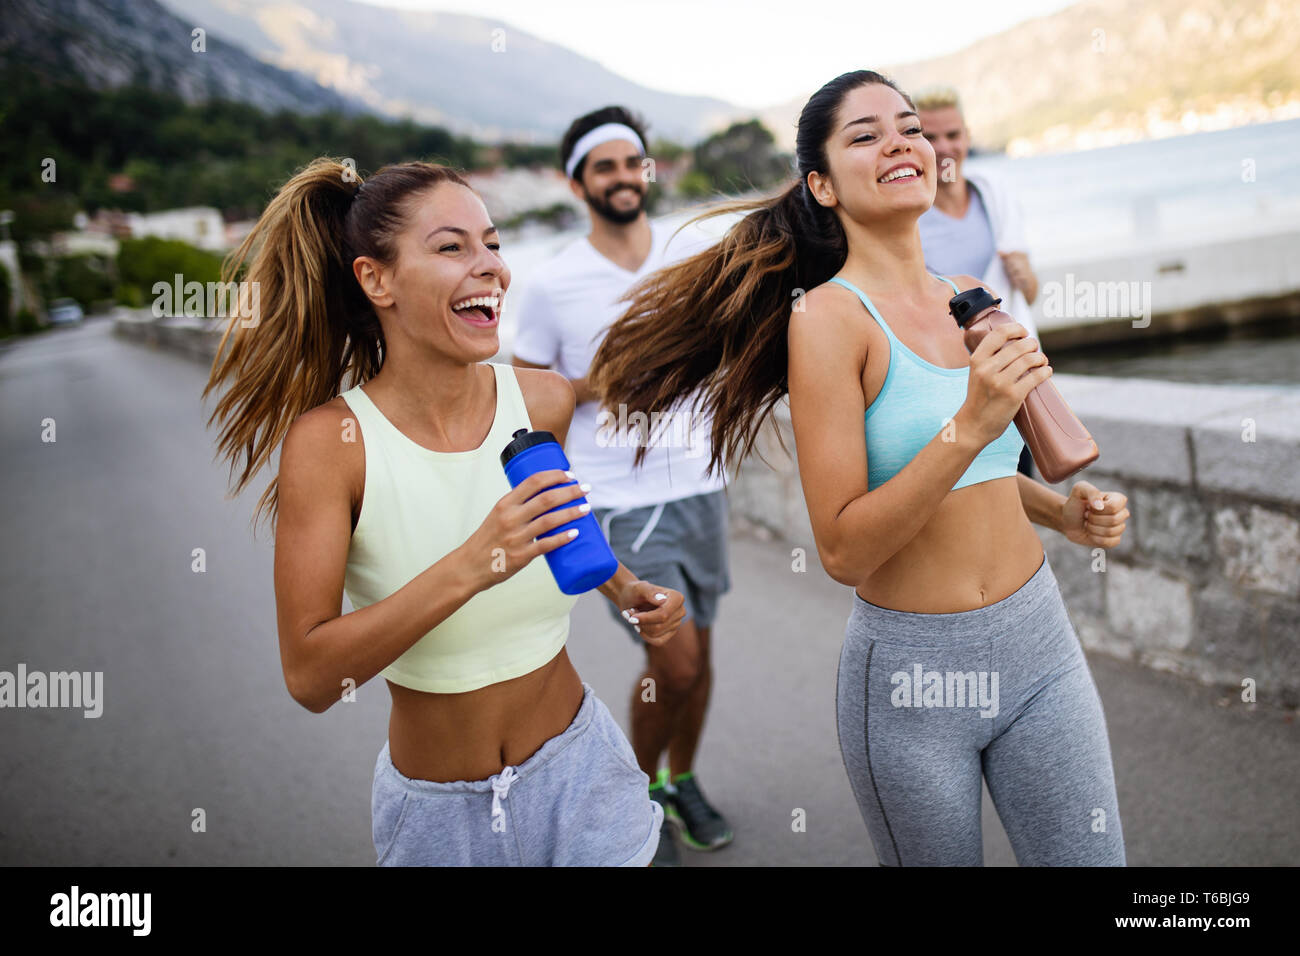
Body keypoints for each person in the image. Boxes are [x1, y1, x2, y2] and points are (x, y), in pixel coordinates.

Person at [589, 71, 1131, 866]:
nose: (901, 143)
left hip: (1039, 645)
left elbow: (976, 471)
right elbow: (842, 548)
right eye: (866, 135)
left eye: (909, 127)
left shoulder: (974, 297)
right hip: (912, 681)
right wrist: (971, 419)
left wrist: (1061, 511)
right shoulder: (826, 320)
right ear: (822, 184)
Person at [202, 157, 687, 866]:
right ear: (377, 279)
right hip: (439, 819)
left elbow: (557, 525)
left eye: (492, 243)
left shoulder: (542, 400)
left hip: (585, 776)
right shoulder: (331, 446)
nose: (491, 265)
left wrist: (625, 586)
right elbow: (310, 677)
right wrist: (473, 564)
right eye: (452, 246)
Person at [511, 106, 733, 866]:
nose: (621, 177)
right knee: (674, 660)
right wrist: (596, 382)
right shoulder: (551, 284)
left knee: (699, 654)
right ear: (578, 184)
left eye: (631, 162)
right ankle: (636, 803)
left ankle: (682, 777)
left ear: (648, 170)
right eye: (602, 166)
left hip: (702, 485)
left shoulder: (690, 254)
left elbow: (727, 346)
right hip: (615, 498)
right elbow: (523, 393)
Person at [915, 85, 1040, 476]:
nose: (944, 147)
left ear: (967, 137)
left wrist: (1025, 274)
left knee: (1024, 486)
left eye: (953, 134)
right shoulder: (910, 219)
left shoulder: (994, 195)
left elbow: (1029, 297)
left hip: (1015, 379)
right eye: (929, 137)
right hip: (953, 390)